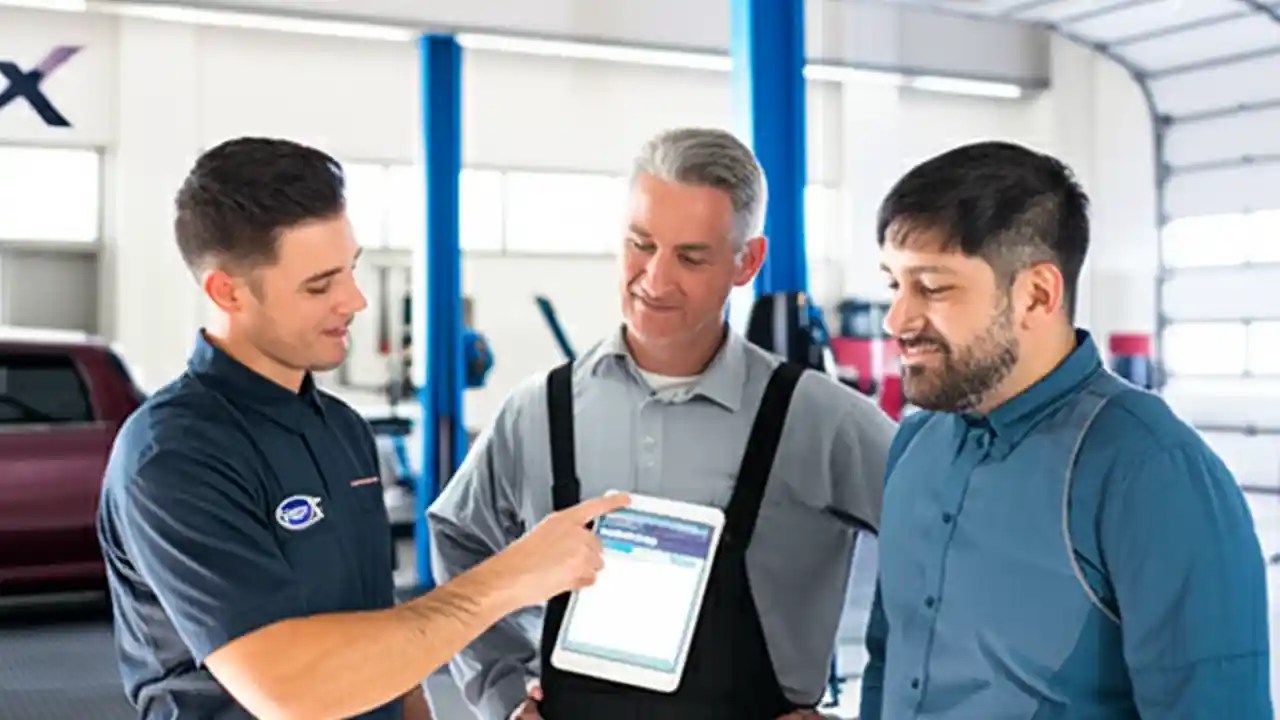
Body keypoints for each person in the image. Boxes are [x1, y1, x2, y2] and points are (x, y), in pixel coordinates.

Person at [95, 137, 630, 720]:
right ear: (228, 291)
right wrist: (509, 579)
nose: (353, 300)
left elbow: (386, 644)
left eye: (350, 269)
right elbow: (289, 691)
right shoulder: (174, 455)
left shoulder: (343, 430)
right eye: (320, 285)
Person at [427, 127, 897, 720]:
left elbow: (945, 555)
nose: (654, 279)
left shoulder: (820, 419)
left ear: (746, 261)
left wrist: (878, 710)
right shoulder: (536, 414)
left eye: (691, 257)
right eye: (640, 244)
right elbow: (458, 538)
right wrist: (501, 690)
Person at [860, 141, 1272, 719]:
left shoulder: (1149, 470)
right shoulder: (913, 445)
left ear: (1036, 294)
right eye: (893, 285)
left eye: (932, 287)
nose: (896, 319)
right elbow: (888, 663)